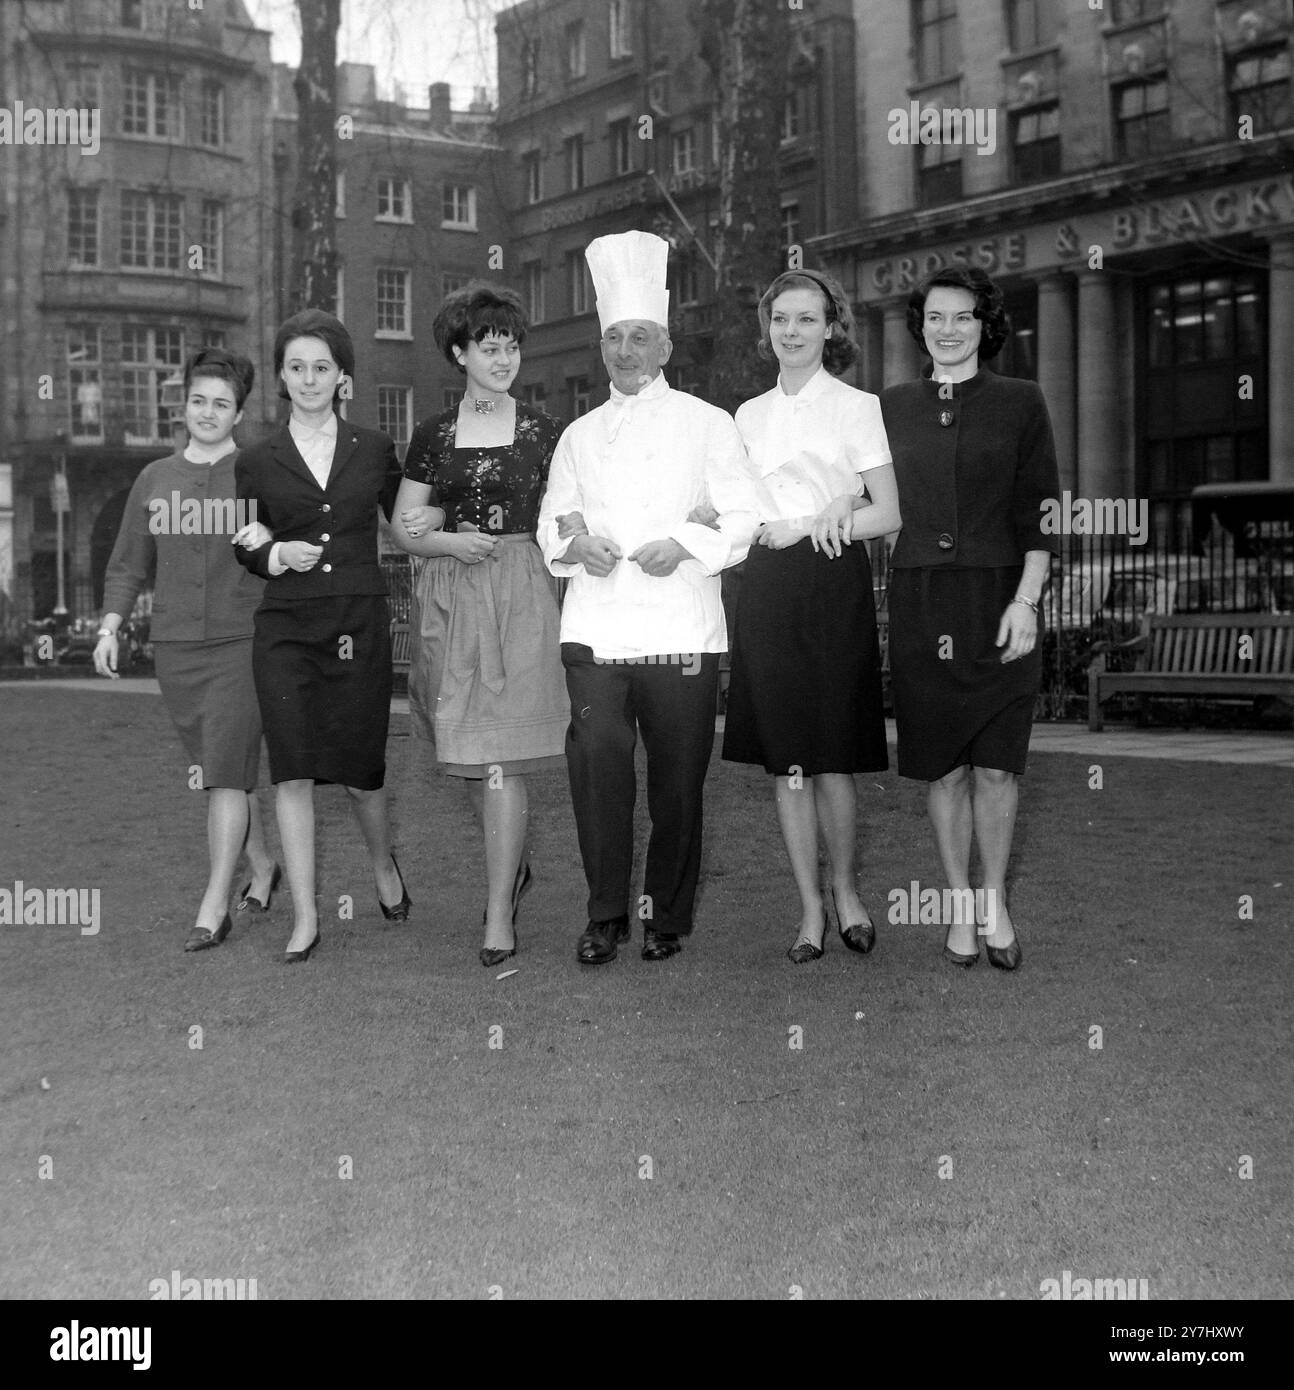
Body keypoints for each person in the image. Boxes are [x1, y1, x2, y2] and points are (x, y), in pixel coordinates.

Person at [537, 230, 760, 965]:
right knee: (598, 765)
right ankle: (605, 915)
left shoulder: (708, 425)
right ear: (601, 349)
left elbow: (742, 516)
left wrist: (685, 545)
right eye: (613, 339)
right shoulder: (576, 435)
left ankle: (668, 915)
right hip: (597, 629)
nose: (625, 351)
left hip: (681, 630)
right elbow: (553, 518)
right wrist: (577, 546)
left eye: (639, 337)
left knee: (677, 781)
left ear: (664, 347)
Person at [879, 266, 1060, 971]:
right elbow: (863, 488)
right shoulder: (891, 406)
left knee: (997, 769)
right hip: (924, 599)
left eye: (961, 317)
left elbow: (1041, 508)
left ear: (985, 326)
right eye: (934, 317)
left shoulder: (1020, 401)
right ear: (920, 327)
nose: (947, 329)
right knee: (945, 770)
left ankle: (994, 902)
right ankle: (958, 905)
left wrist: (1028, 600)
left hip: (999, 602)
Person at [721, 270, 900, 964]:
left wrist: (831, 515)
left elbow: (889, 512)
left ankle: (848, 892)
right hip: (766, 589)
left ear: (830, 328)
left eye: (805, 319)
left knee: (832, 758)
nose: (791, 332)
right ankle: (809, 909)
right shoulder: (745, 416)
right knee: (788, 763)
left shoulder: (857, 407)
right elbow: (737, 514)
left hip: (831, 582)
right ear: (768, 330)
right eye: (780, 320)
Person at [390, 283, 567, 967]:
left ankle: (498, 911)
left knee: (497, 755)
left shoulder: (544, 430)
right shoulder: (434, 434)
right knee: (464, 753)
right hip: (451, 597)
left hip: (521, 591)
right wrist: (445, 536)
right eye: (489, 348)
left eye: (512, 347)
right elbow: (406, 529)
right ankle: (511, 863)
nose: (504, 359)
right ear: (459, 353)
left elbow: (565, 515)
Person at [234, 309, 409, 963]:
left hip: (358, 625)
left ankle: (383, 865)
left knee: (362, 774)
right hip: (285, 630)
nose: (309, 379)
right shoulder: (255, 460)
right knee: (293, 773)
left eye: (322, 368)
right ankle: (305, 916)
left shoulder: (376, 449)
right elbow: (245, 536)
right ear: (281, 375)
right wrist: (278, 556)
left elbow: (410, 522)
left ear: (342, 377)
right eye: (297, 367)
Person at [94, 348, 280, 952]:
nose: (208, 412)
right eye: (198, 401)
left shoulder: (257, 471)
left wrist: (272, 532)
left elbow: (295, 536)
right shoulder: (154, 479)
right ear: (183, 406)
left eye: (221, 404)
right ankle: (265, 864)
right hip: (175, 648)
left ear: (238, 413)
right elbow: (128, 562)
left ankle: (213, 904)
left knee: (224, 772)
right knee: (223, 768)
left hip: (241, 639)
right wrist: (109, 627)